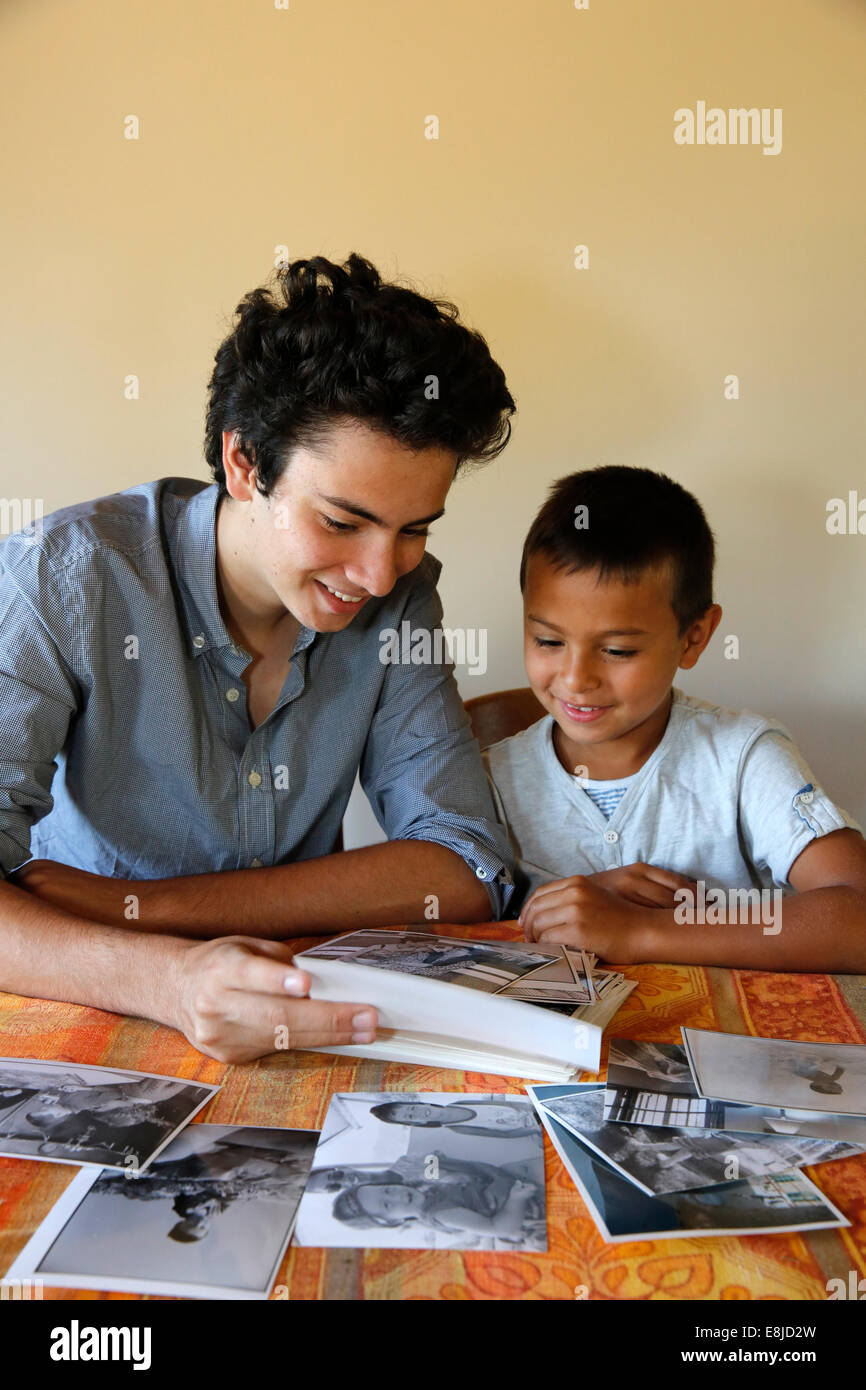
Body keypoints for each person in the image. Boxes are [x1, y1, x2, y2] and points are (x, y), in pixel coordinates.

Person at [0, 253, 518, 1062]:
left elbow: (463, 862)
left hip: (298, 1017)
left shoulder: (399, 599)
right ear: (246, 465)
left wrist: (141, 906)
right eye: (343, 523)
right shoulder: (62, 576)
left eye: (416, 528)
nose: (381, 573)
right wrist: (167, 977)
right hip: (87, 1014)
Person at [482, 466, 866, 971]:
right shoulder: (490, 779)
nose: (576, 678)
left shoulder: (743, 759)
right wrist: (578, 903)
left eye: (618, 650)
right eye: (549, 641)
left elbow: (856, 912)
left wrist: (639, 930)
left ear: (694, 638)